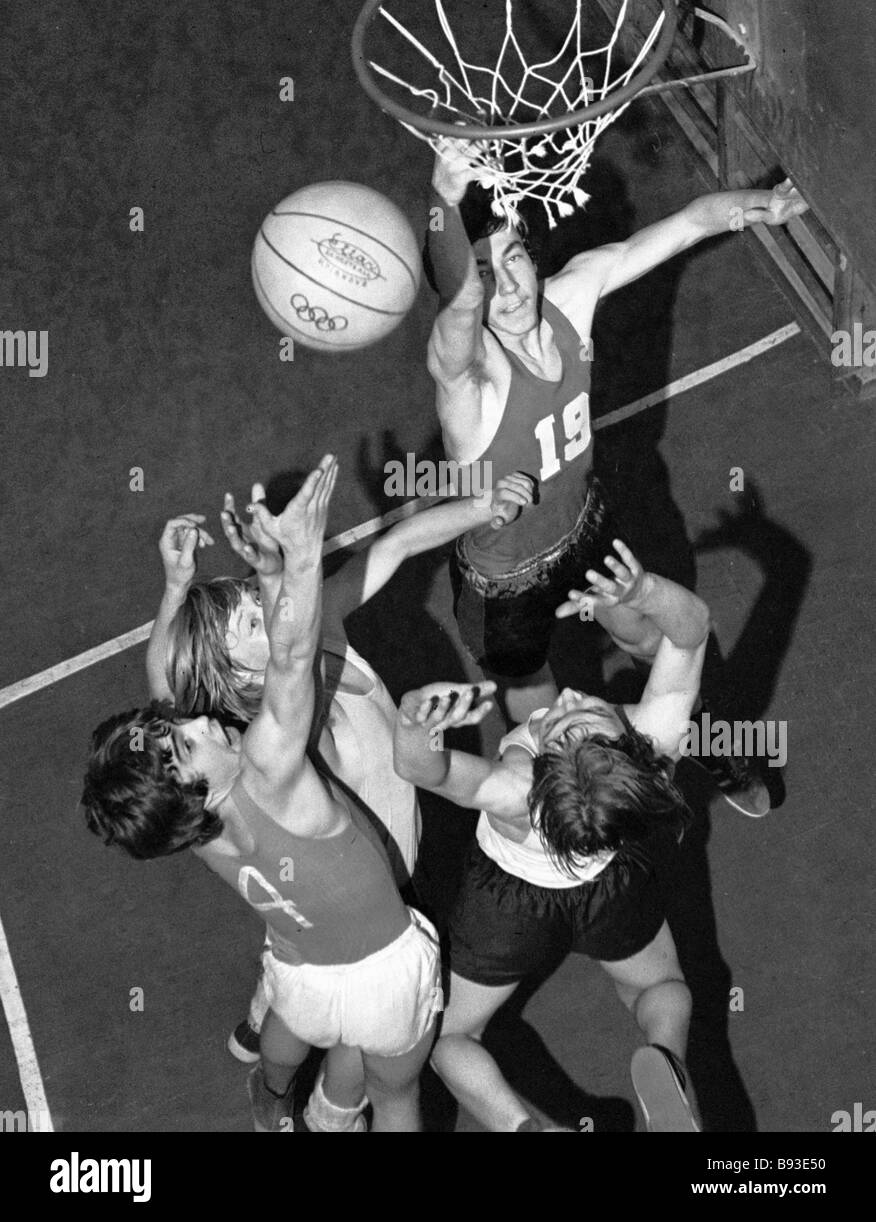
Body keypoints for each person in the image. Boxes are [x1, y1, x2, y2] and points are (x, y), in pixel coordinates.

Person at [425, 138, 808, 816]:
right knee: (546, 733)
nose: (509, 285)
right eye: (485, 272)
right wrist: (443, 201)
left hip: (584, 528)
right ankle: (579, 824)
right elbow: (458, 307)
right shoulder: (467, 374)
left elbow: (691, 222)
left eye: (515, 257)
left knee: (663, 652)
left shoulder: (571, 296)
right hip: (503, 585)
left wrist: (764, 206)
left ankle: (715, 752)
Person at [143, 469, 532, 1126]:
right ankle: (325, 1109)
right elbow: (188, 690)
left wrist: (480, 507)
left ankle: (269, 1079)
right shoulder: (283, 733)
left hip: (308, 910)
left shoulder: (306, 642)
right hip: (375, 891)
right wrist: (278, 572)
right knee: (358, 1028)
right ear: (240, 670)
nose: (256, 602)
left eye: (247, 595)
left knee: (291, 990)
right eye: (245, 615)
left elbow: (393, 547)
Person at [83, 456, 442, 1133]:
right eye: (186, 739)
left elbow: (165, 688)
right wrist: (298, 562)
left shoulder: (183, 817)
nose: (189, 718)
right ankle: (327, 1116)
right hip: (376, 966)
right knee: (392, 1087)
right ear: (189, 782)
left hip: (299, 955)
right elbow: (291, 660)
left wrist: (176, 586)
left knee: (295, 1019)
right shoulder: (273, 772)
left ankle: (271, 1097)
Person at [393, 538, 710, 1132]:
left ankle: (522, 1127)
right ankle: (668, 1064)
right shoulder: (654, 742)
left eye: (564, 719)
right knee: (663, 990)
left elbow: (420, 769)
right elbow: (691, 632)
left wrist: (414, 721)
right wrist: (644, 593)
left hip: (509, 906)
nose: (569, 696)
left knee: (448, 1038)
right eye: (580, 710)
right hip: (613, 887)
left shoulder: (517, 787)